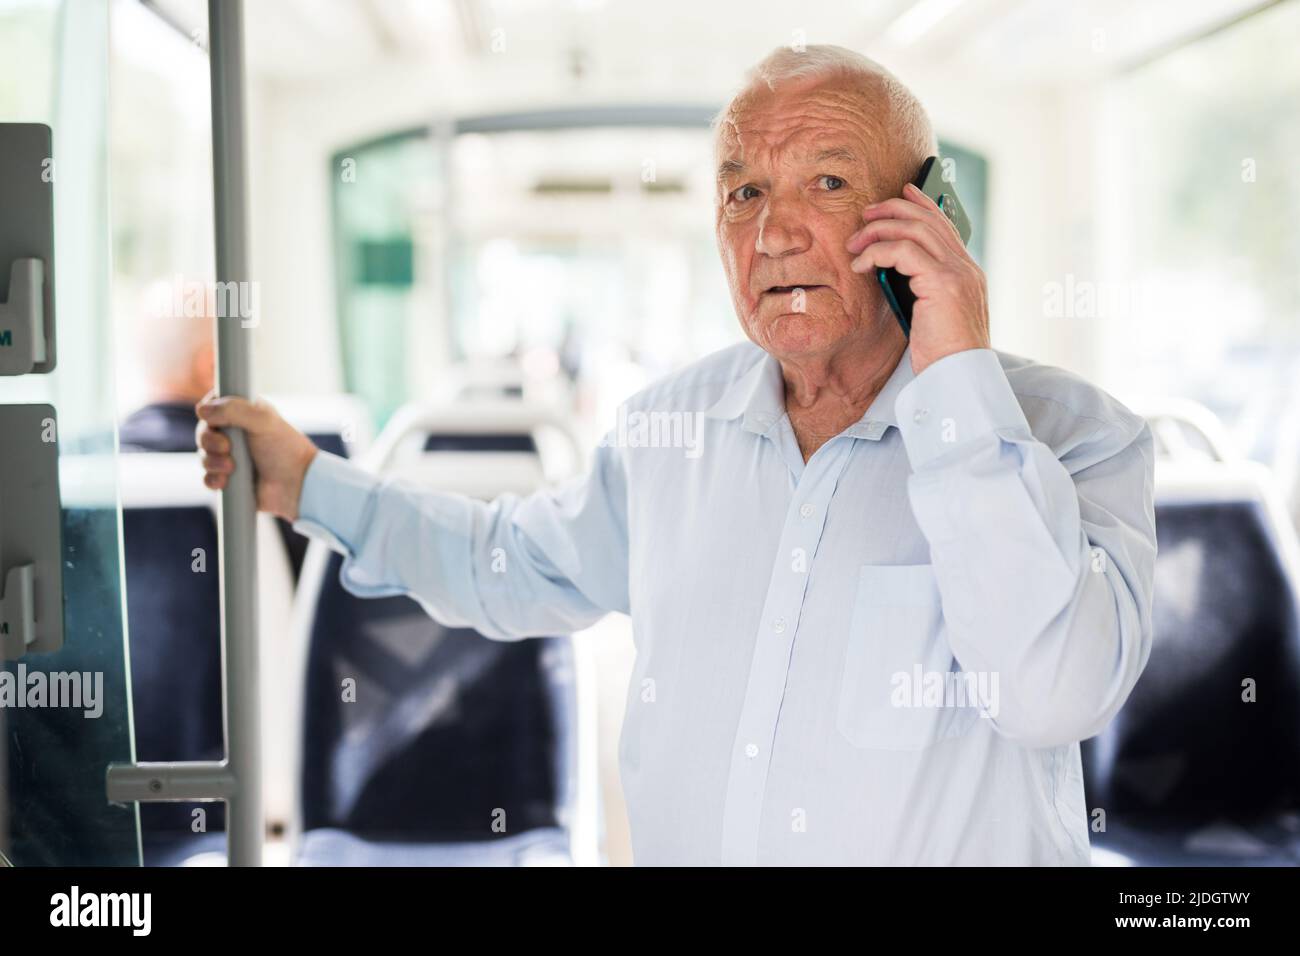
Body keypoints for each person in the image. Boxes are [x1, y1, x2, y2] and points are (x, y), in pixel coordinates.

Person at [196, 45, 1156, 865]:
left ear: (928, 213)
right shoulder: (670, 432)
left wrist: (957, 391)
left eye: (826, 181)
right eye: (744, 191)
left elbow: (1049, 693)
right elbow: (508, 564)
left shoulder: (1076, 435)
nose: (774, 231)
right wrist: (311, 483)